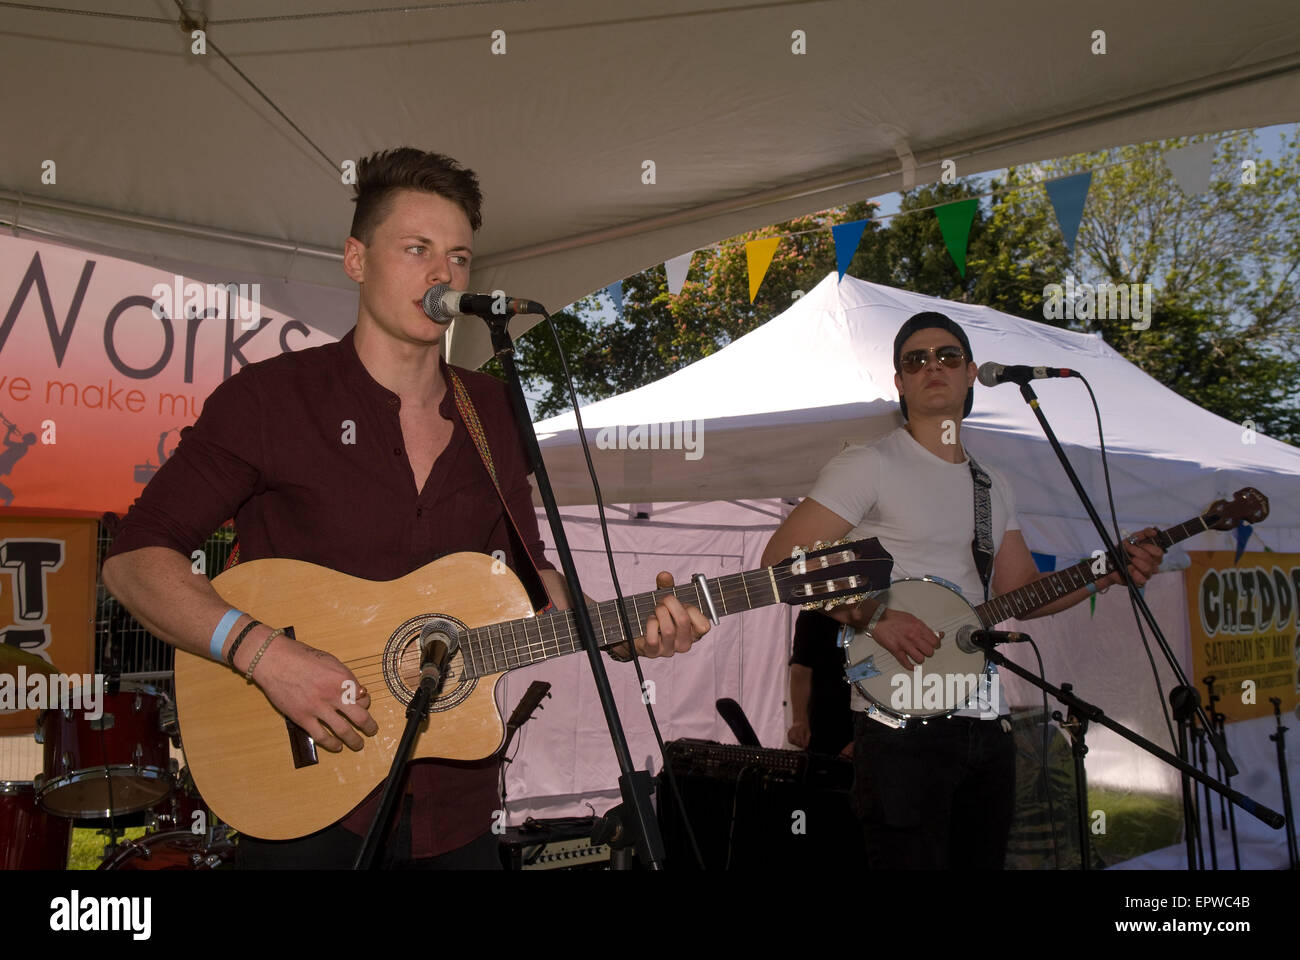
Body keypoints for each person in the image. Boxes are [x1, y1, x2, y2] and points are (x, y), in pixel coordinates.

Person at [102, 147, 710, 869]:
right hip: (300, 795)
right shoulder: (269, 401)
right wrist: (266, 654)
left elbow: (529, 573)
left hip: (454, 813)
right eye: (416, 249)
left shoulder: (491, 410)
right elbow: (136, 560)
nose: (442, 275)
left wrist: (622, 632)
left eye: (458, 256)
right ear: (356, 259)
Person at [760, 311, 1163, 869]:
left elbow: (1023, 591)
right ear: (898, 382)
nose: (933, 366)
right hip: (896, 721)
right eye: (915, 359)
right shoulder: (868, 465)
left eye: (948, 356)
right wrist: (874, 616)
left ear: (972, 373)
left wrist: (1106, 570)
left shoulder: (992, 484)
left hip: (984, 717)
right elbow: (781, 561)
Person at [786, 610, 853, 757]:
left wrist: (861, 740)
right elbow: (800, 670)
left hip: (864, 726)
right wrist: (799, 721)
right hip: (822, 726)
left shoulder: (876, 609)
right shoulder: (812, 612)